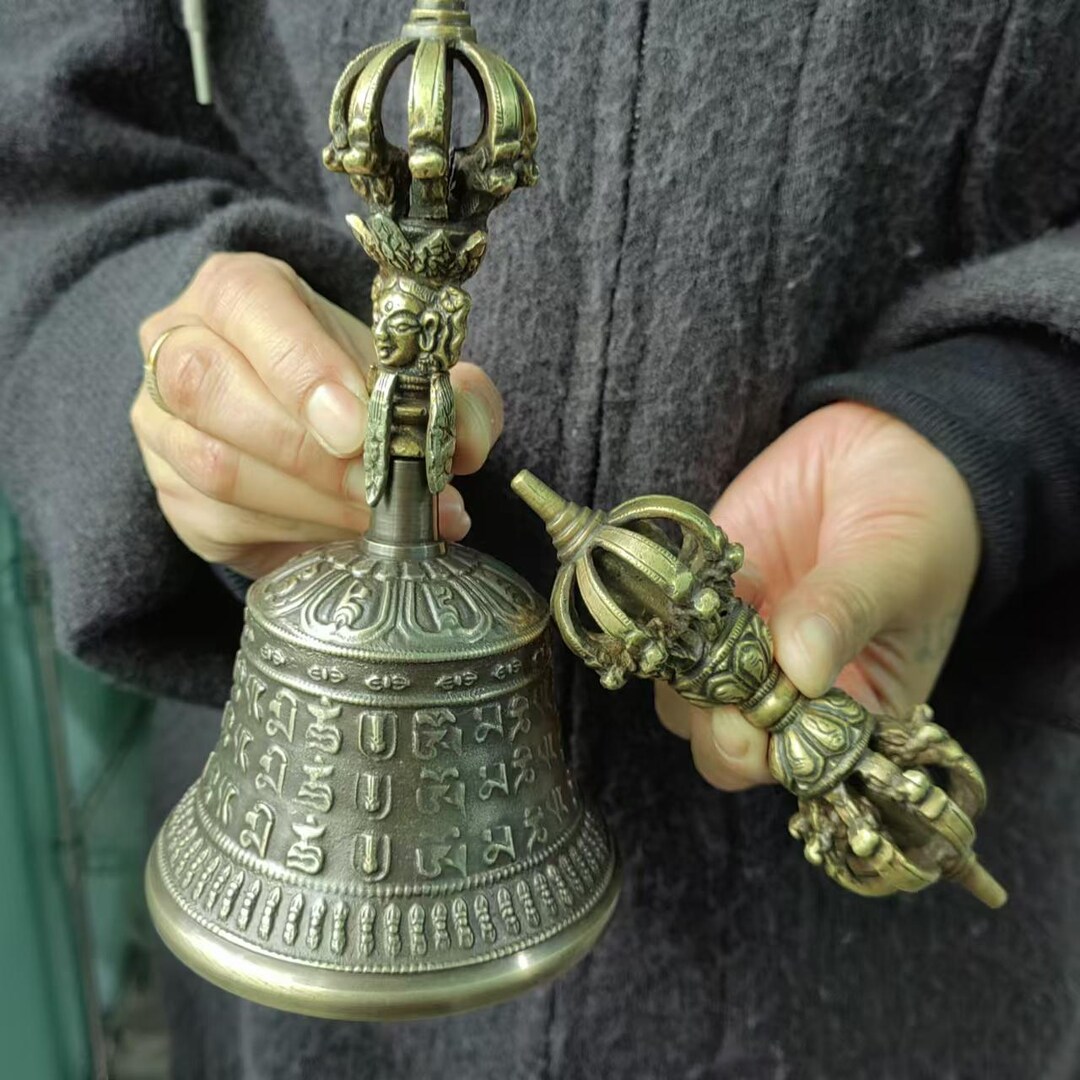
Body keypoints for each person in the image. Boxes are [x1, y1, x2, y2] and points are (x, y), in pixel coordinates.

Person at [3, 1, 1080, 1077]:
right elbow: (44, 162)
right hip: (298, 990)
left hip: (905, 987)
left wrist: (1007, 422)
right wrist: (178, 381)